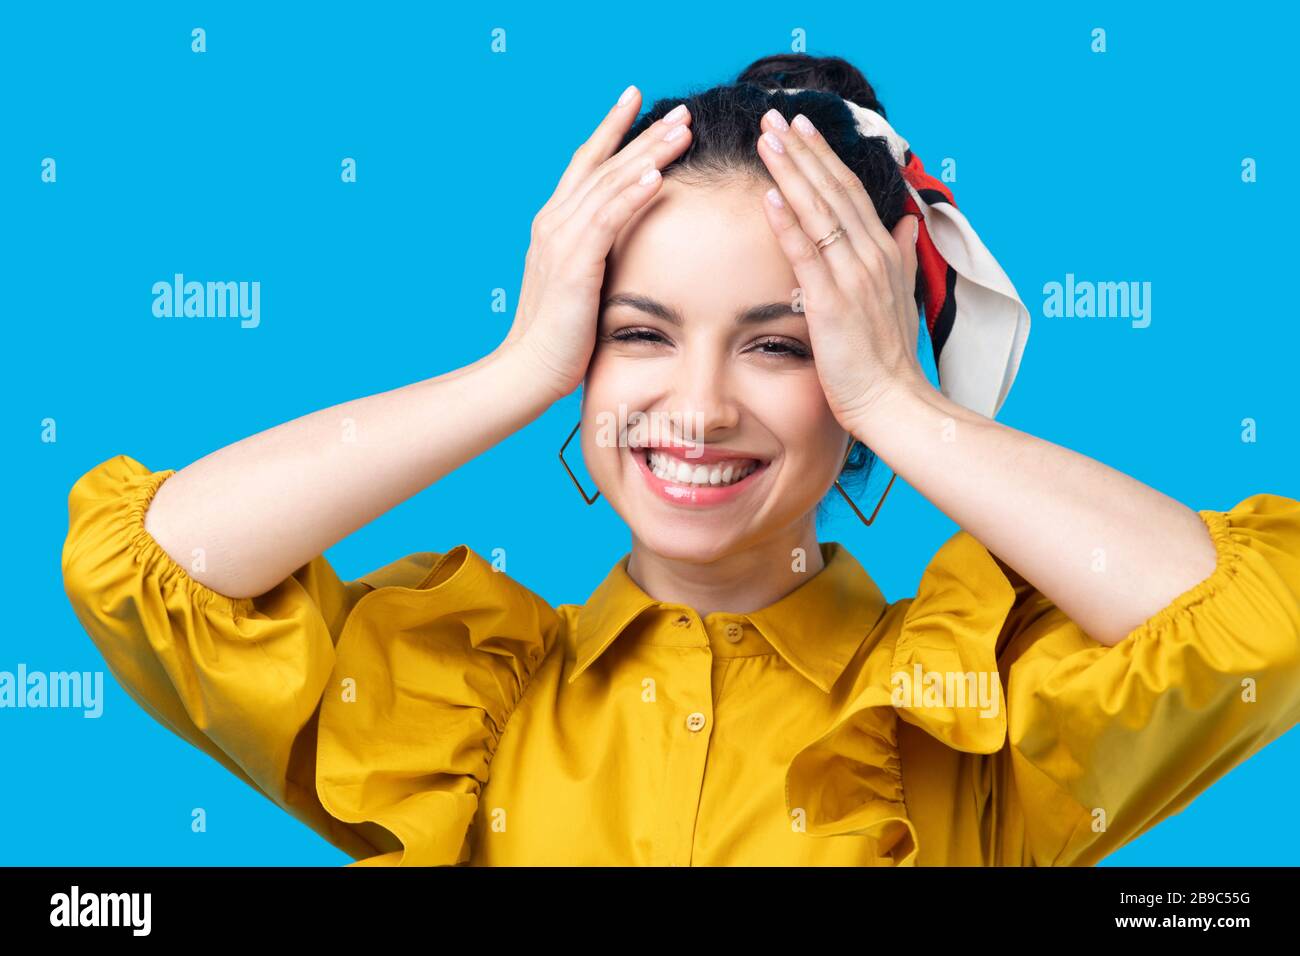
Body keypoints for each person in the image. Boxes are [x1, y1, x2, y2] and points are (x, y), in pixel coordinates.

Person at [61, 53, 1300, 866]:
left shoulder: (966, 717)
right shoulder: (459, 702)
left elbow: (1259, 623)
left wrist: (901, 402)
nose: (696, 411)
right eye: (637, 333)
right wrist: (513, 371)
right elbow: (149, 566)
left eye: (781, 344)